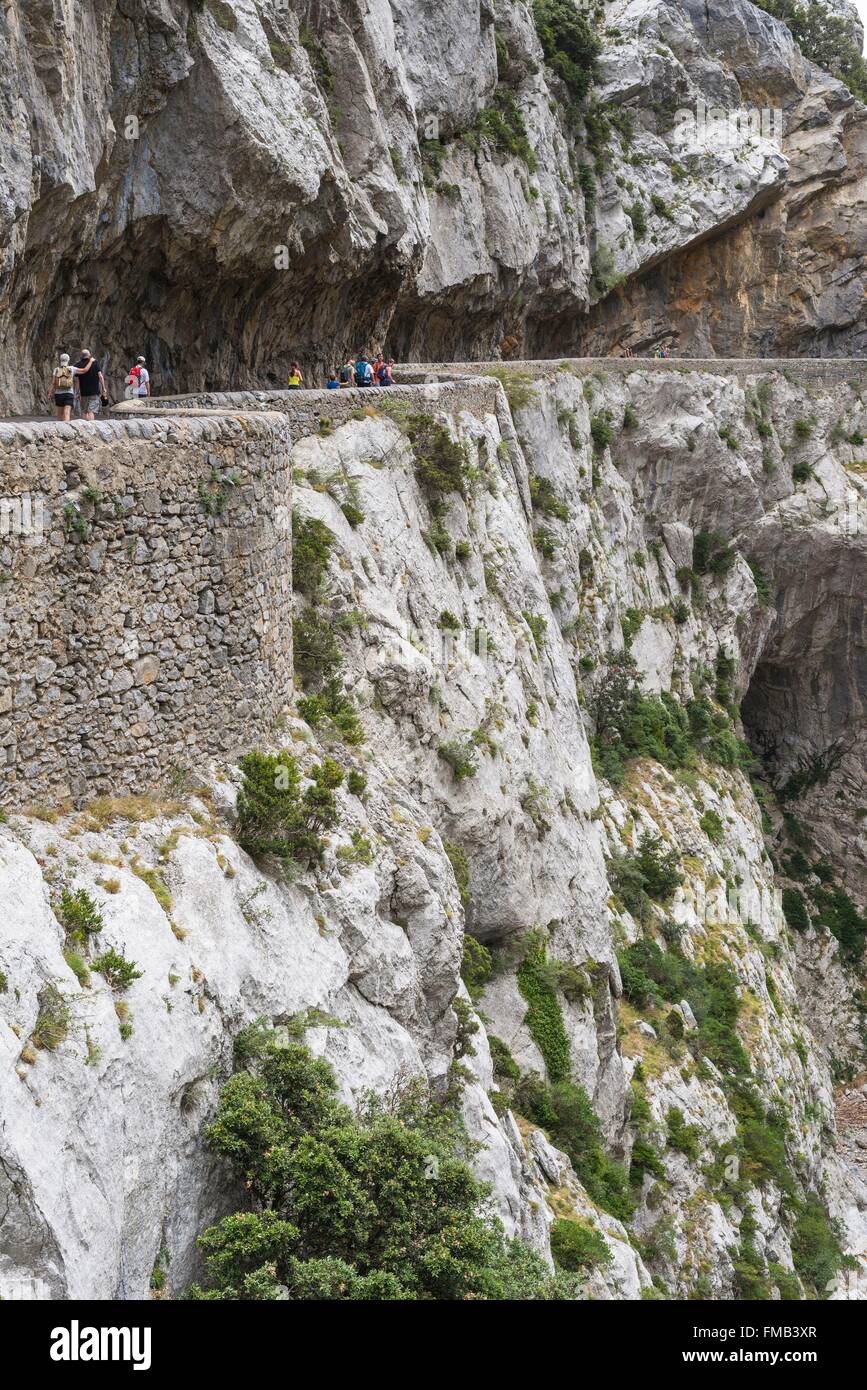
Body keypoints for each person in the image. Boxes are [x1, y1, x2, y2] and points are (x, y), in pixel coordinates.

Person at [74, 348, 106, 419]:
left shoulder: (78, 365)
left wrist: (77, 392)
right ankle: (91, 428)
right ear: (89, 355)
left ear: (81, 356)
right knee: (91, 411)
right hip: (94, 392)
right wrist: (103, 388)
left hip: (84, 392)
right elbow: (100, 376)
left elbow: (77, 381)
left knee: (84, 411)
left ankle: (83, 428)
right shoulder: (95, 363)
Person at [46, 353, 76, 421]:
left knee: (60, 414)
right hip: (69, 393)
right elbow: (84, 370)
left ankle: (60, 429)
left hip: (58, 394)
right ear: (68, 360)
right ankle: (67, 429)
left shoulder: (56, 369)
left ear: (60, 360)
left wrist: (50, 393)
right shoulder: (72, 368)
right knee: (67, 413)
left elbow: (53, 383)